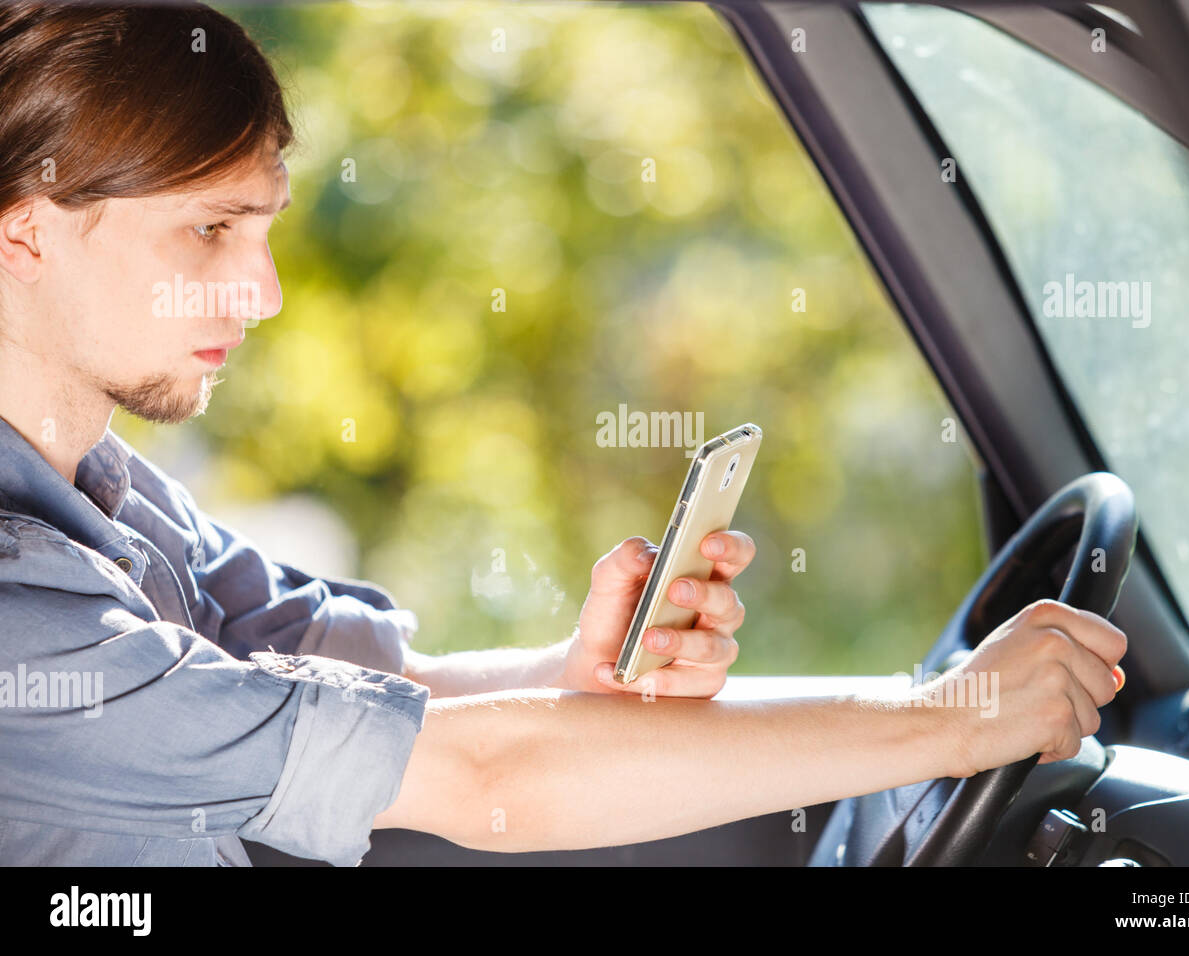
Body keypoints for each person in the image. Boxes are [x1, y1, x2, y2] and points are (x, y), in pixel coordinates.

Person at [0, 1, 1126, 865]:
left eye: (265, 227)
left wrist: (569, 672)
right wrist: (948, 718)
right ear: (26, 234)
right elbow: (485, 775)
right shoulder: (19, 616)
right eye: (209, 231)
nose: (267, 290)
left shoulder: (108, 485)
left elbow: (386, 690)